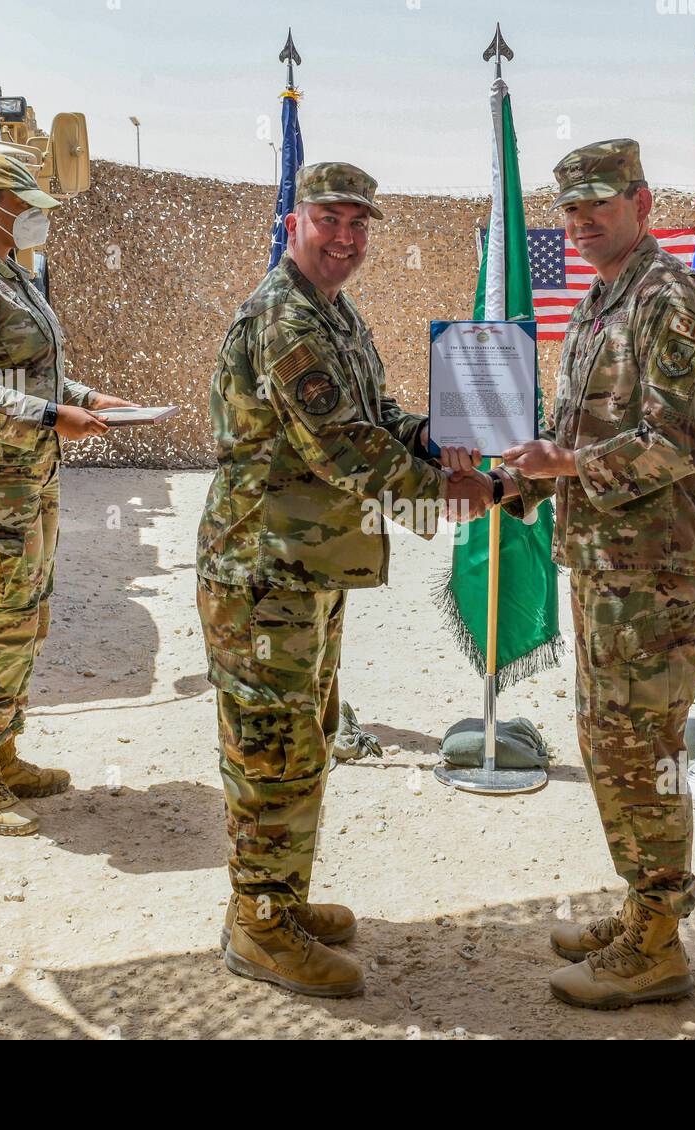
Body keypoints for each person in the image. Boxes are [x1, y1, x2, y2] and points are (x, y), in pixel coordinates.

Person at [196, 161, 491, 997]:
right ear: (295, 220)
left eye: (361, 225)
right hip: (264, 572)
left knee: (304, 736)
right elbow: (343, 448)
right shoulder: (287, 320)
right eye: (331, 219)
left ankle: (278, 897)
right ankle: (258, 925)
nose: (347, 239)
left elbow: (373, 417)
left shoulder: (335, 312)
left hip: (307, 568)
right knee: (271, 747)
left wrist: (429, 435)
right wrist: (450, 494)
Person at [449, 139, 695, 1008]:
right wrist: (515, 481)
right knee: (611, 742)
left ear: (642, 204)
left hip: (651, 573)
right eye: (570, 208)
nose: (581, 220)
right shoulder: (602, 302)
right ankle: (644, 911)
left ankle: (657, 944)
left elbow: (672, 444)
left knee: (638, 748)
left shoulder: (672, 299)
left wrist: (562, 464)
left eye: (599, 203)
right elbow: (581, 434)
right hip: (605, 566)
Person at [0, 144, 136, 837]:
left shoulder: (7, 274)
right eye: (26, 208)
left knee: (23, 621)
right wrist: (52, 416)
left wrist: (86, 396)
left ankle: (5, 757)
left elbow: (30, 374)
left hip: (22, 480)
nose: (37, 219)